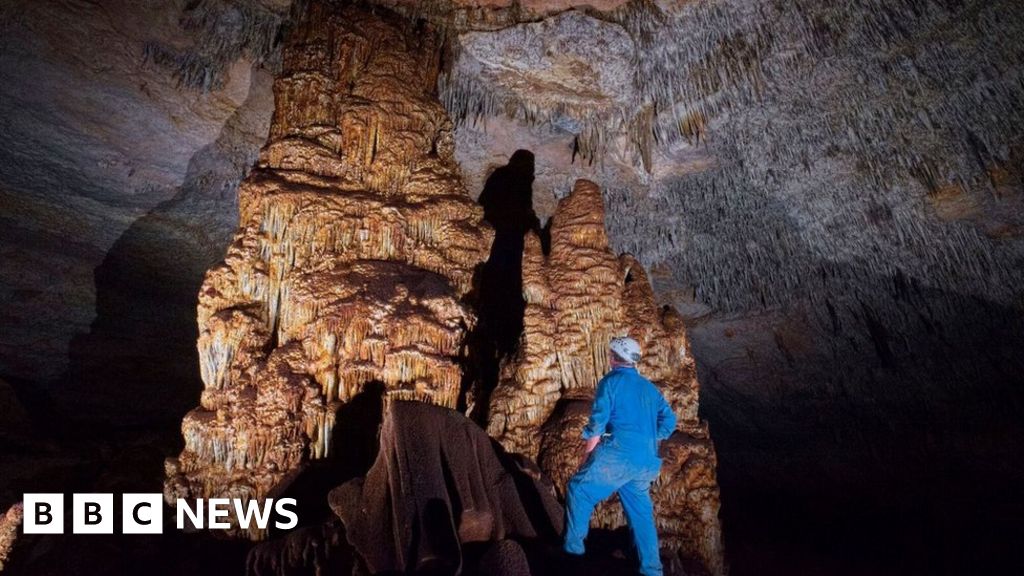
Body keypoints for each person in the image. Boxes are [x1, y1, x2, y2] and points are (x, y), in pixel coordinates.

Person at [563, 336, 677, 576]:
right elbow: (670, 421)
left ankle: (572, 558)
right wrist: (650, 437)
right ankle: (652, 571)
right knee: (641, 514)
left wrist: (588, 454)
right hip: (646, 461)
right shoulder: (649, 388)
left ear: (614, 358)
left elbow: (597, 424)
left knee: (578, 489)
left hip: (618, 455)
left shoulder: (610, 382)